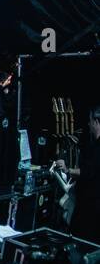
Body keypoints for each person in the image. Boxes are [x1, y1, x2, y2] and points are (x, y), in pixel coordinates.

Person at [55, 103, 100, 241]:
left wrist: (67, 170)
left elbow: (88, 171)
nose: (88, 124)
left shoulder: (97, 147)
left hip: (90, 208)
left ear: (96, 121)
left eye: (90, 120)